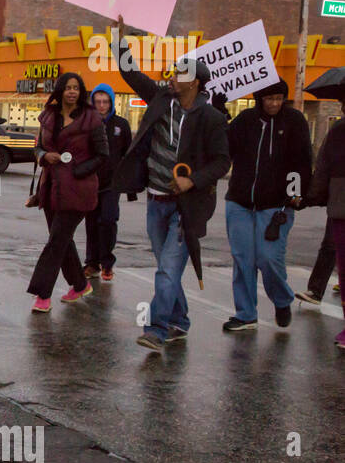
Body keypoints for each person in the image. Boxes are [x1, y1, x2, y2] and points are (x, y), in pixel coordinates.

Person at [111, 18, 230, 351]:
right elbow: (130, 74)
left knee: (167, 268)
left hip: (186, 207)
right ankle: (180, 320)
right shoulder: (161, 99)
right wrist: (119, 42)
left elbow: (222, 162)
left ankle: (157, 328)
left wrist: (193, 180)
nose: (173, 77)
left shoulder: (212, 119)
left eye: (180, 73)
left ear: (195, 82)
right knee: (166, 266)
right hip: (155, 199)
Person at [222, 78, 313, 332]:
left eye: (278, 98)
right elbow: (222, 151)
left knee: (268, 258)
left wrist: (295, 196)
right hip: (239, 202)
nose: (274, 103)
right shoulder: (244, 121)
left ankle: (282, 299)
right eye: (269, 99)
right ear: (258, 99)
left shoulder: (294, 121)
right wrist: (220, 118)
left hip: (276, 205)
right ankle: (245, 313)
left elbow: (302, 162)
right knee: (243, 259)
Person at [27, 73, 108, 312]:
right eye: (68, 87)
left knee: (55, 242)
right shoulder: (49, 116)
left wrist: (78, 171)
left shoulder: (91, 118)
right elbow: (39, 146)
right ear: (60, 90)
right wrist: (44, 156)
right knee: (61, 240)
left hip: (78, 189)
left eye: (76, 88)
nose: (72, 92)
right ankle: (80, 284)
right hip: (51, 188)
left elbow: (102, 155)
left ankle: (42, 294)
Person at [83, 84, 132, 281]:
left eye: (105, 102)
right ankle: (92, 262)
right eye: (98, 102)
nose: (101, 105)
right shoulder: (86, 125)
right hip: (91, 180)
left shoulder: (121, 125)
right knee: (92, 222)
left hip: (113, 183)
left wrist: (129, 180)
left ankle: (107, 263)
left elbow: (129, 153)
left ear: (111, 102)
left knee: (109, 220)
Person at [303, 117, 345, 349]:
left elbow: (323, 164)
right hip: (341, 202)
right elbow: (325, 163)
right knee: (337, 254)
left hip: (340, 201)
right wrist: (316, 194)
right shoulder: (339, 130)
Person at [294, 225, 339, 306]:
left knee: (331, 244)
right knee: (330, 244)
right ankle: (315, 291)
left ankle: (316, 291)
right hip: (337, 213)